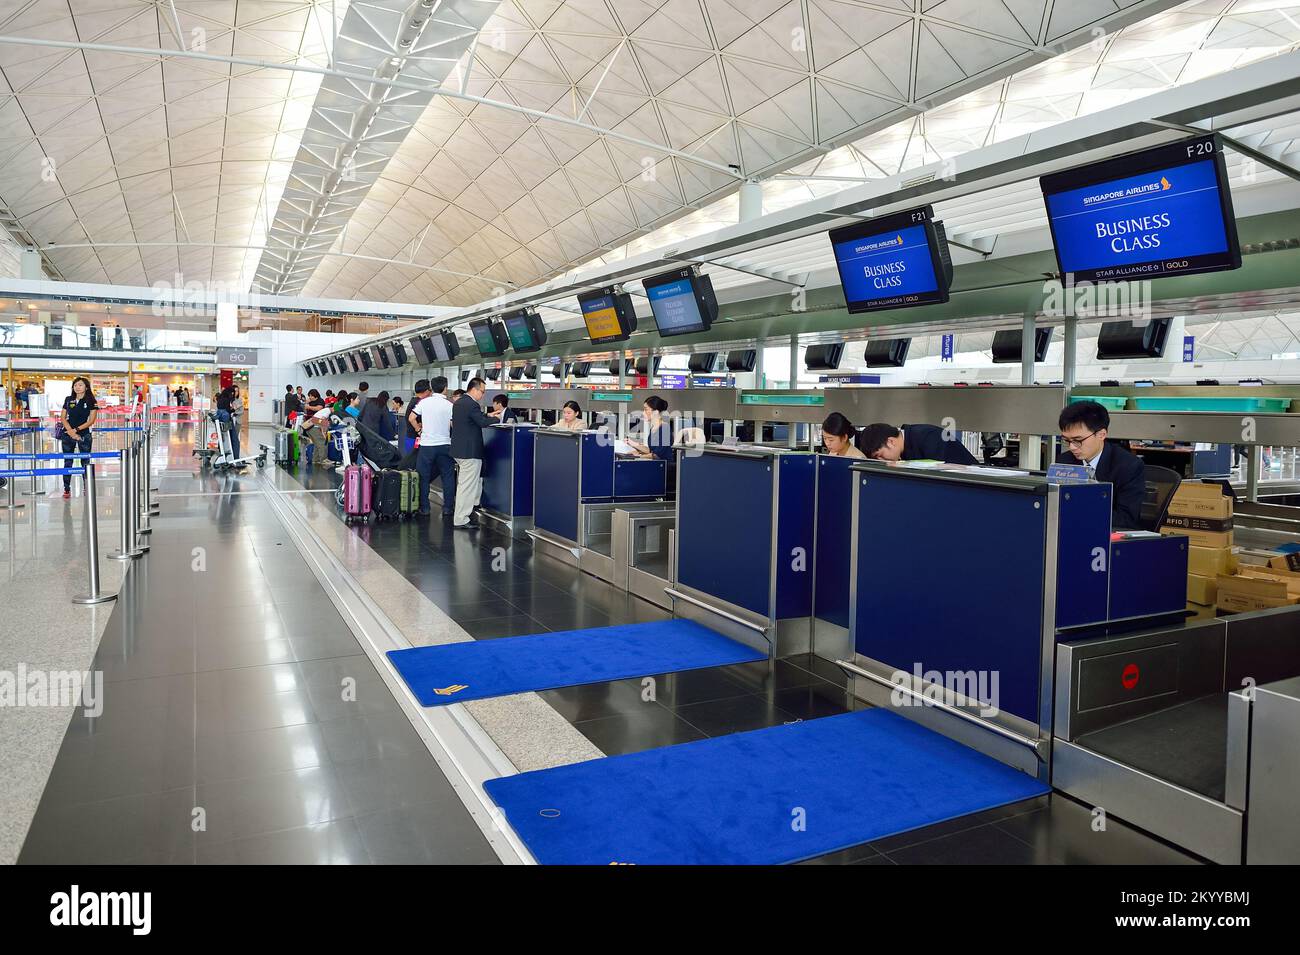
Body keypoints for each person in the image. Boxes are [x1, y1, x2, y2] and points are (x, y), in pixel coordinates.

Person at [1057, 400, 1145, 529]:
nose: (1072, 447)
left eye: (1078, 440)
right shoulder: (1064, 462)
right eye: (1066, 440)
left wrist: (1082, 513)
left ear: (1101, 434)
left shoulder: (1128, 466)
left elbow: (1127, 519)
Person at [449, 377, 500, 529]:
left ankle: (461, 516)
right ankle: (461, 519)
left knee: (464, 485)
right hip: (469, 452)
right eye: (482, 392)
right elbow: (481, 423)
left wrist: (487, 416)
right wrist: (496, 419)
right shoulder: (471, 404)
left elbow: (472, 420)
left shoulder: (459, 402)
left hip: (459, 450)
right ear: (475, 389)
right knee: (467, 487)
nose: (482, 395)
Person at [410, 377, 456, 519]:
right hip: (445, 445)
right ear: (445, 388)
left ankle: (425, 508)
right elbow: (453, 424)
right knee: (447, 476)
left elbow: (412, 417)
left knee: (423, 476)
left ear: (432, 388)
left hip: (427, 446)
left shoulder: (424, 402)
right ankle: (448, 508)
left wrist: (419, 430)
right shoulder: (450, 405)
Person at [858, 422, 979, 466]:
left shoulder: (927, 437)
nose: (881, 460)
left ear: (891, 442)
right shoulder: (905, 447)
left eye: (880, 455)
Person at [59, 376, 98, 499]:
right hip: (67, 434)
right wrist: (70, 431)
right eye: (75, 385)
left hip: (84, 434)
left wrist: (76, 430)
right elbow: (63, 417)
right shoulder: (68, 399)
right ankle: (66, 489)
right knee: (68, 461)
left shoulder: (91, 401)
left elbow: (91, 420)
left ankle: (87, 486)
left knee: (85, 462)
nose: (77, 387)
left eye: (80, 385)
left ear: (86, 387)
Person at [627, 395, 672, 461]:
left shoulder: (665, 429)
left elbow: (657, 455)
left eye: (646, 409)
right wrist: (634, 445)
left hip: (664, 467)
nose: (643, 413)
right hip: (655, 464)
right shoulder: (653, 428)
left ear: (656, 412)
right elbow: (651, 450)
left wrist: (638, 456)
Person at [300, 389, 330, 465]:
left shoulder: (320, 401)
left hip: (315, 423)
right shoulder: (309, 401)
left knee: (318, 443)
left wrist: (308, 406)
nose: (310, 397)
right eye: (309, 396)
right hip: (311, 424)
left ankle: (316, 460)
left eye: (311, 396)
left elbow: (318, 408)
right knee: (320, 442)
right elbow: (306, 408)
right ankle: (321, 459)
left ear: (315, 395)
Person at [216, 385, 244, 462]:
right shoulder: (227, 399)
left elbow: (241, 411)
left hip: (232, 421)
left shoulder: (221, 399)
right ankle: (235, 457)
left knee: (229, 438)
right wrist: (233, 409)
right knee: (234, 439)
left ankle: (229, 456)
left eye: (237, 391)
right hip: (229, 421)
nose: (235, 393)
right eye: (234, 391)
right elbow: (228, 411)